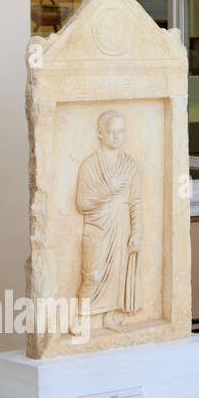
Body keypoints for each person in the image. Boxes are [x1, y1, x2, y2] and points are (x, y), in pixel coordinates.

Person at [75, 110, 142, 333]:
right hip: (96, 228)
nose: (117, 136)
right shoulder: (89, 165)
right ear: (100, 133)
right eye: (112, 132)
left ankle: (109, 317)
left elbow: (136, 201)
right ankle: (81, 318)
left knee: (116, 275)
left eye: (121, 132)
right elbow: (82, 203)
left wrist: (136, 232)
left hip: (121, 227)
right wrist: (108, 190)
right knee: (92, 275)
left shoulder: (130, 165)